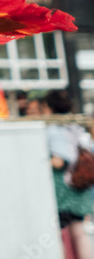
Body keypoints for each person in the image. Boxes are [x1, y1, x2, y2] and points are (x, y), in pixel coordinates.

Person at [46, 90, 94, 259]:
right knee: (79, 231)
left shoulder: (53, 129)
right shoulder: (76, 125)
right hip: (79, 185)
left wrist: (42, 162)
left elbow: (60, 160)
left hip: (64, 190)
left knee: (63, 233)